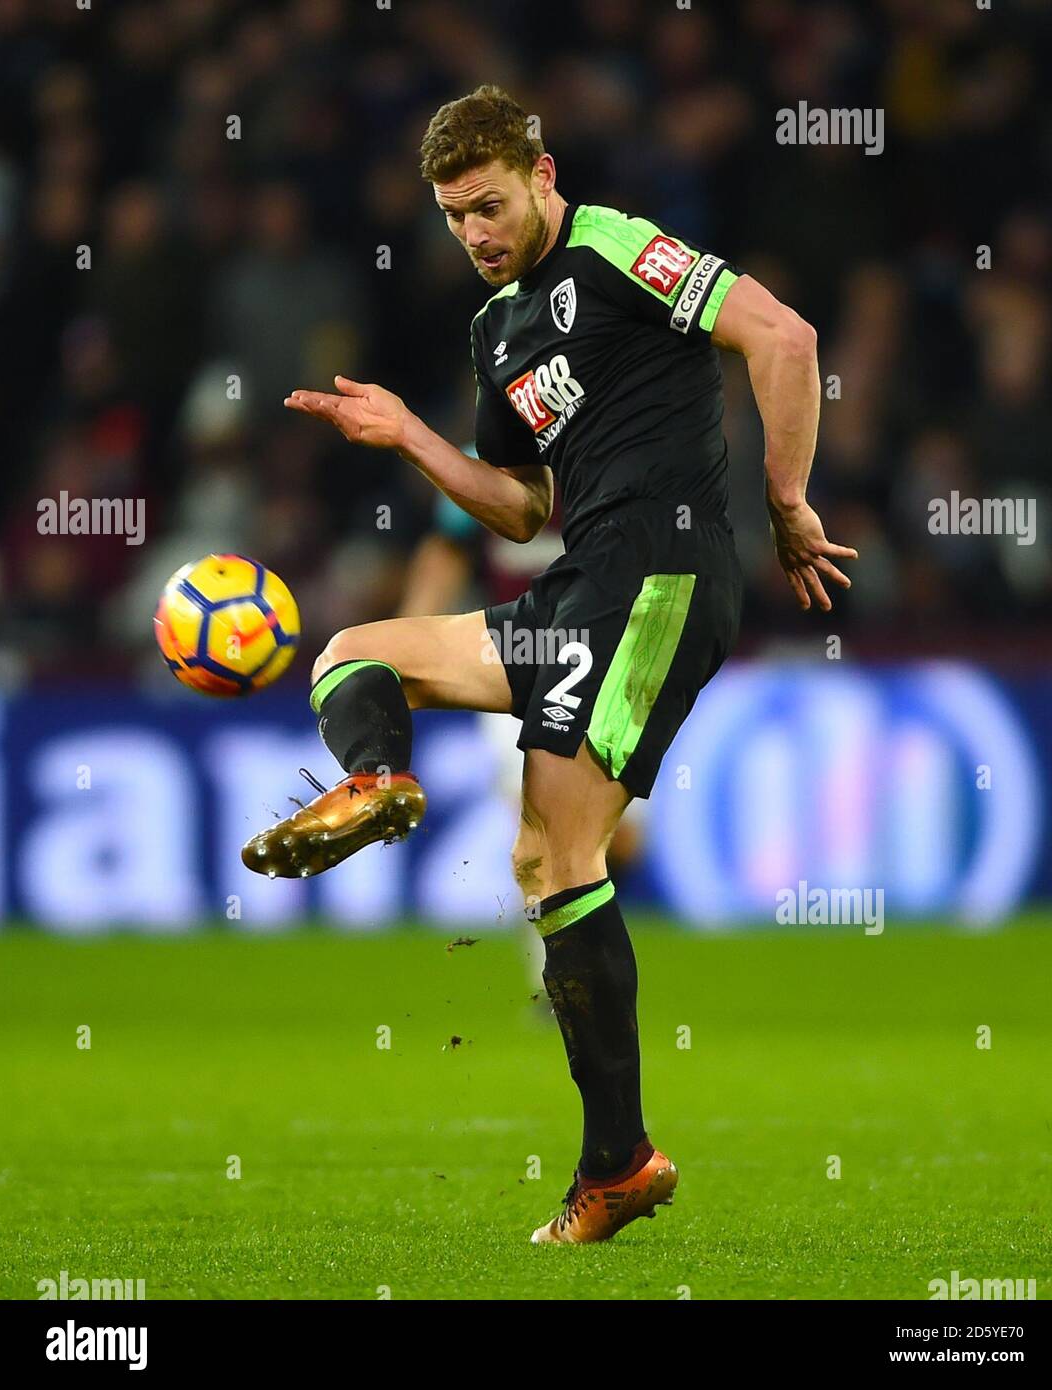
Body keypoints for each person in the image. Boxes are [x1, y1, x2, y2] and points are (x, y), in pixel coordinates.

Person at [242, 84, 857, 1244]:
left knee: (555, 847)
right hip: (579, 586)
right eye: (449, 216)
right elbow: (521, 507)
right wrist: (412, 438)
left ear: (541, 174)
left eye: (486, 205)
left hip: (662, 577)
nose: (472, 233)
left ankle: (616, 1162)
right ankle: (378, 782)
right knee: (355, 659)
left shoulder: (613, 246)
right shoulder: (496, 330)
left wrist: (784, 499)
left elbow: (783, 335)